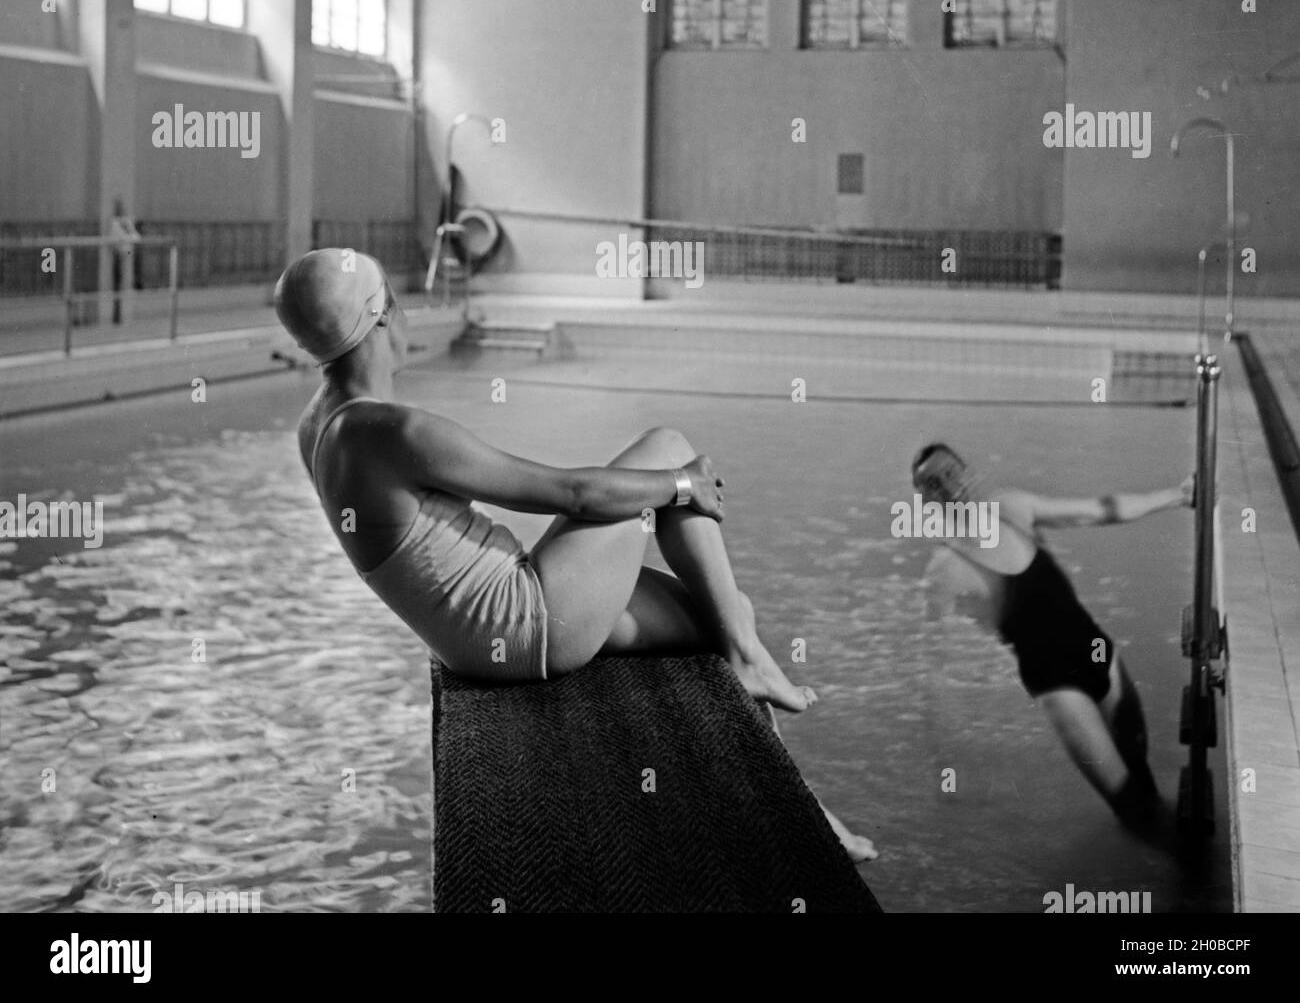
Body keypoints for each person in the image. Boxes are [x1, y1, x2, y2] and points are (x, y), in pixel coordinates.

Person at [274, 248, 875, 861]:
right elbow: (573, 493)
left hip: (479, 633)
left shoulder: (320, 424)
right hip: (527, 622)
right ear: (382, 320)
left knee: (727, 611)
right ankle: (750, 664)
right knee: (667, 447)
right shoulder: (392, 432)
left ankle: (807, 811)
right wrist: (682, 483)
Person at [911, 441, 1194, 830]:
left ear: (967, 471)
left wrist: (1177, 496)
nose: (947, 484)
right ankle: (1182, 862)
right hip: (1059, 688)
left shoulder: (1012, 509)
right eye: (932, 483)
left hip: (1097, 652)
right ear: (926, 500)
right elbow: (935, 672)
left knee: (1140, 768)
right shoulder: (946, 569)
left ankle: (1186, 871)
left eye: (950, 471)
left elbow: (1098, 511)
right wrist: (943, 761)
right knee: (1134, 812)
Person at [108, 198, 141, 325]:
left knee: (125, 282)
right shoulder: (114, 222)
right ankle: (117, 316)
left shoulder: (126, 221)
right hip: (118, 253)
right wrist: (128, 238)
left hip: (127, 252)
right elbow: (118, 237)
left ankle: (122, 315)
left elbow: (136, 237)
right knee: (118, 283)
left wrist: (128, 237)